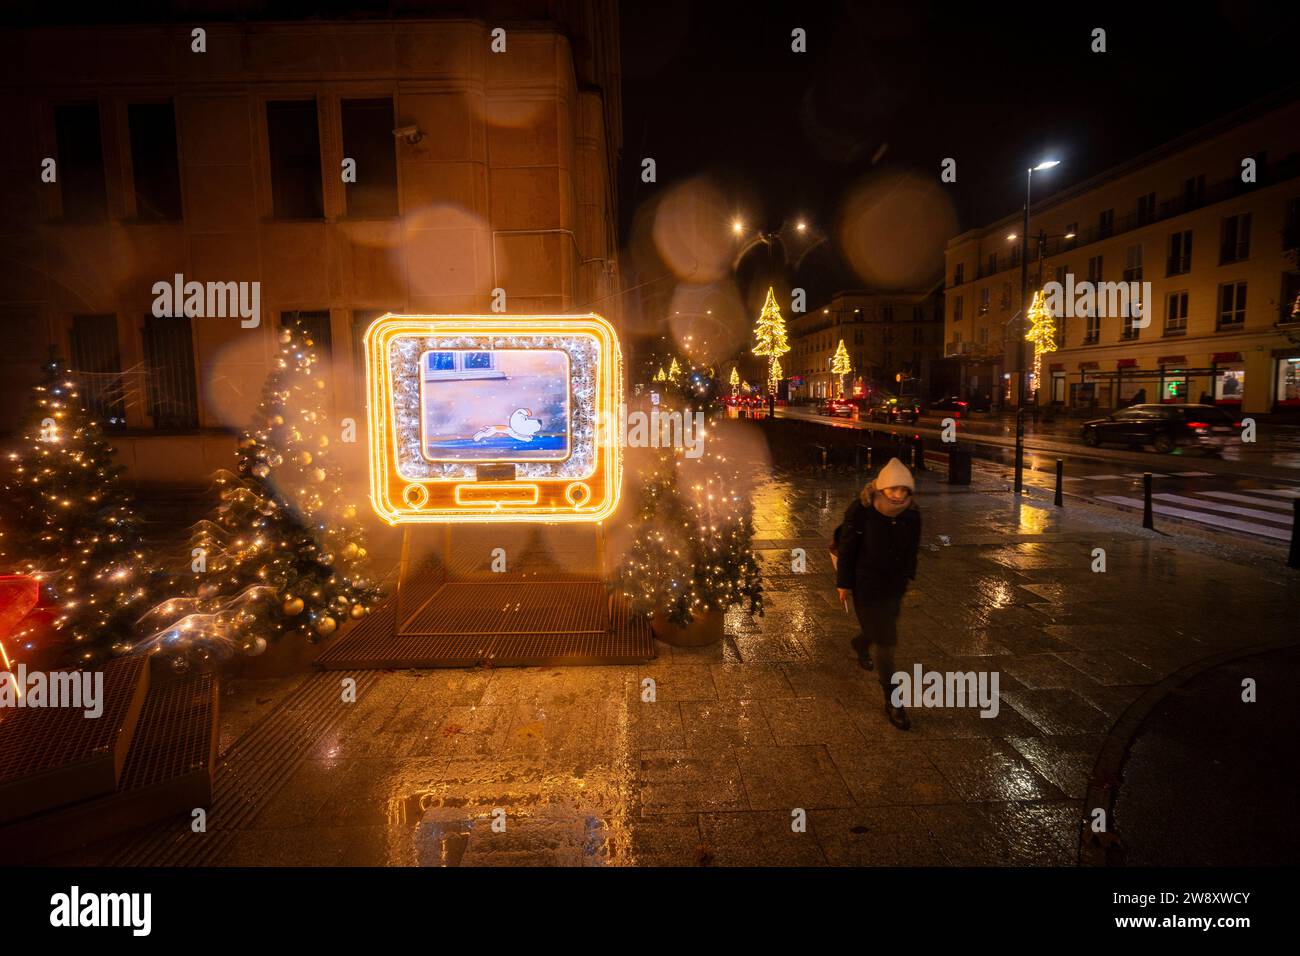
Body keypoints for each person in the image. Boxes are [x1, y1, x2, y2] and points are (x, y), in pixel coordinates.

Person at [834, 457, 921, 730]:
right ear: (881, 488)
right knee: (886, 641)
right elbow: (848, 548)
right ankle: (893, 701)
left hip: (894, 585)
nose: (898, 495)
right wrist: (843, 583)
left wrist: (908, 574)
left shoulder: (911, 513)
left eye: (904, 490)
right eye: (893, 489)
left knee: (879, 631)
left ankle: (861, 643)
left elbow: (912, 548)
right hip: (866, 585)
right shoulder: (862, 510)